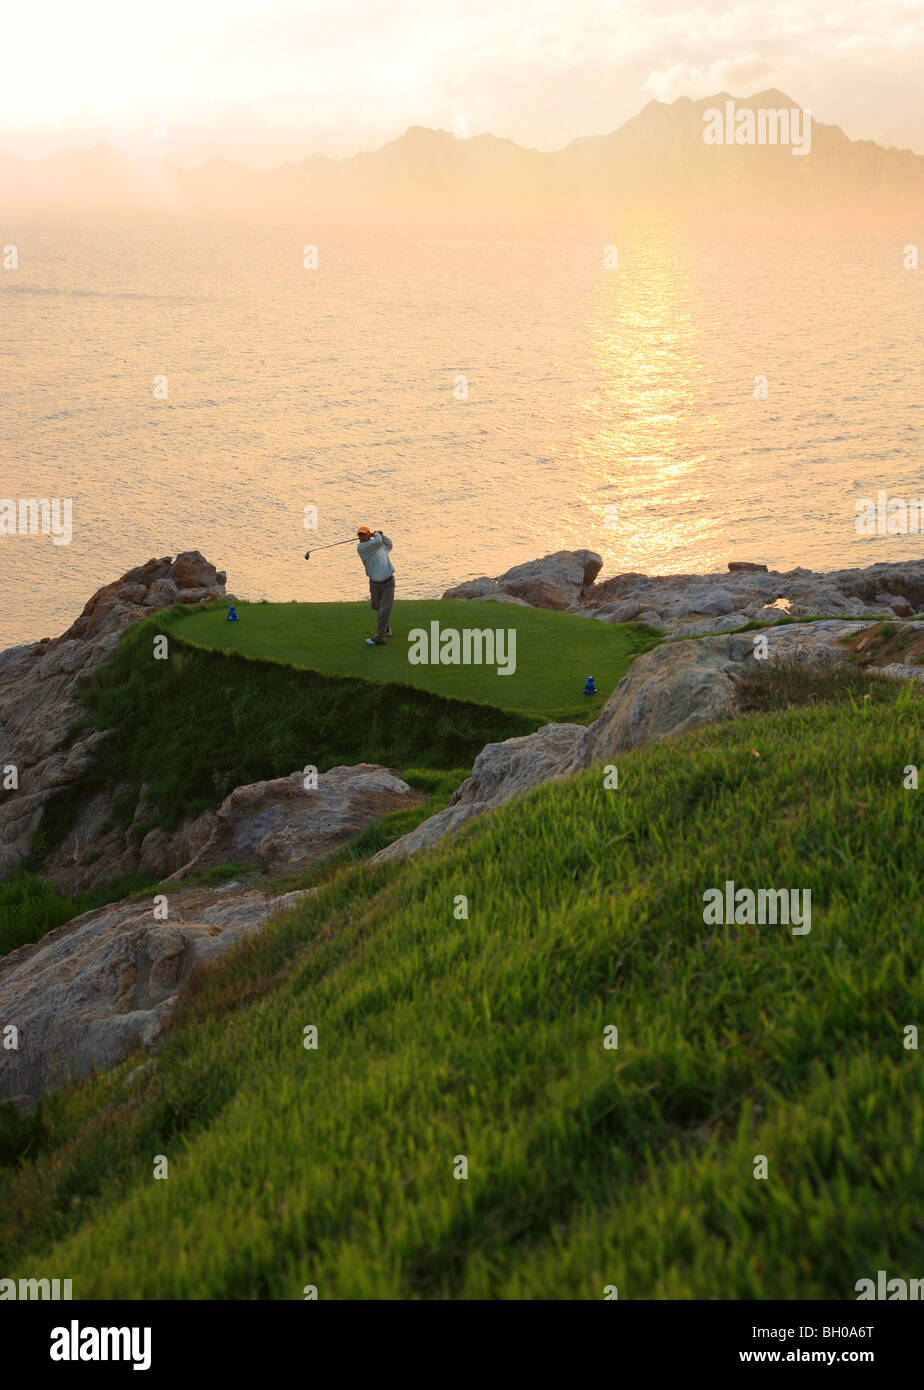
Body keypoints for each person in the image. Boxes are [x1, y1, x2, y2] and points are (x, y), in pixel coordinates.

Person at [356, 525, 395, 645]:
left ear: (368, 535)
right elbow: (378, 542)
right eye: (359, 535)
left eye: (363, 534)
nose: (361, 537)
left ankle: (380, 638)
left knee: (384, 610)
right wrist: (376, 535)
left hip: (388, 582)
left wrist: (382, 536)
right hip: (374, 583)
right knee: (375, 606)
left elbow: (389, 545)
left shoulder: (378, 545)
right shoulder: (362, 547)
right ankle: (386, 628)